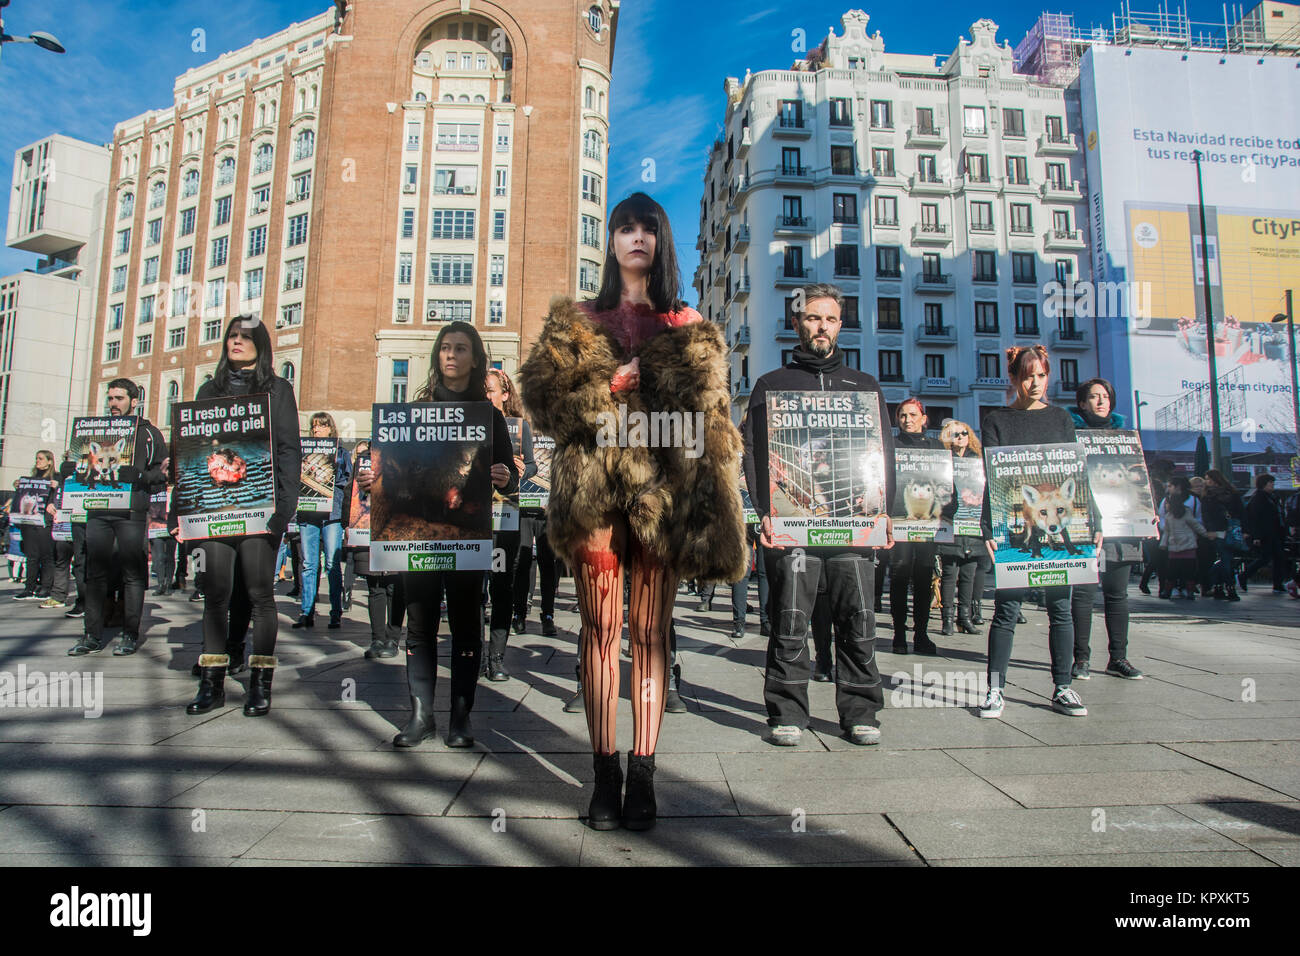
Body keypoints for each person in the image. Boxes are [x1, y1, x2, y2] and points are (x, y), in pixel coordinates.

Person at [518, 192, 745, 830]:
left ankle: (642, 772)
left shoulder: (687, 322)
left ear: (660, 241)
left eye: (648, 228)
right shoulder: (580, 321)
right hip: (592, 488)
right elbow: (543, 403)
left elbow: (712, 425)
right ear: (611, 240)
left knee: (648, 634)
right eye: (625, 228)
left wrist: (714, 510)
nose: (636, 237)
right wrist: (611, 385)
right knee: (598, 631)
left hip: (662, 492)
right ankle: (603, 770)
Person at [742, 282, 896, 748]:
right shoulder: (771, 385)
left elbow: (883, 454)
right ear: (796, 324)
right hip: (793, 528)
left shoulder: (865, 387)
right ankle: (787, 711)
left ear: (840, 325)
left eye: (829, 319)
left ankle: (860, 712)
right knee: (790, 620)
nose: (821, 327)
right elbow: (752, 454)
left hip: (853, 528)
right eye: (812, 318)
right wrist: (763, 513)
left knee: (859, 620)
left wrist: (888, 512)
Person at [360, 322, 517, 749]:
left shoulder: (490, 418)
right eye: (445, 348)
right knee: (420, 621)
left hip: (467, 536)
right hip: (419, 538)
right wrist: (371, 475)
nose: (450, 355)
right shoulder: (415, 410)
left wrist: (505, 476)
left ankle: (460, 720)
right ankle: (420, 716)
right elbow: (394, 471)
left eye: (460, 348)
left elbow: (511, 478)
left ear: (475, 357)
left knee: (467, 624)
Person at [176, 316, 300, 715]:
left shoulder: (278, 390)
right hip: (211, 508)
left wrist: (285, 508)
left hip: (261, 509)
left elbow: (288, 449)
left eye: (245, 338)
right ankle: (211, 682)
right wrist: (184, 511)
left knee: (261, 594)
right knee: (214, 594)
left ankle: (260, 684)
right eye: (232, 336)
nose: (236, 342)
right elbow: (191, 448)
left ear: (261, 345)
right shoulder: (208, 389)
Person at [978, 345, 1099, 719]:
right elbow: (993, 479)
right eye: (1028, 375)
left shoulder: (1061, 418)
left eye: (1042, 375)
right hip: (1013, 524)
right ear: (1013, 378)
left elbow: (1076, 473)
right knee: (1007, 609)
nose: (1035, 383)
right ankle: (995, 689)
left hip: (1059, 521)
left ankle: (1063, 687)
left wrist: (1094, 519)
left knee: (1060, 607)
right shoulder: (997, 420)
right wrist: (987, 527)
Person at [65, 382, 168, 657]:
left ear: (134, 402)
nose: (113, 402)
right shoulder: (93, 432)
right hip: (97, 510)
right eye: (110, 398)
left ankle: (130, 633)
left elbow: (164, 472)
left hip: (131, 512)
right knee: (94, 572)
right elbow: (80, 466)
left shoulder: (148, 433)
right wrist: (71, 470)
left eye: (119, 398)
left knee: (132, 573)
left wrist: (142, 477)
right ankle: (91, 635)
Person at [1067, 378, 1144, 680]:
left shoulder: (1126, 438)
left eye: (1105, 396)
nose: (1100, 401)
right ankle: (1081, 659)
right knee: (1083, 594)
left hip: (1120, 528)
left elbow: (1139, 482)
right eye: (1093, 397)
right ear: (1082, 403)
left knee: (1117, 595)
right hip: (1084, 529)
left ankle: (1119, 658)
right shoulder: (1070, 436)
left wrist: (1147, 513)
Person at [484, 368, 533, 680]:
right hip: (472, 519)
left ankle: (496, 657)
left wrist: (520, 470)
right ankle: (472, 652)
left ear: (504, 394)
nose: (486, 395)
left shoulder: (519, 427)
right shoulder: (469, 422)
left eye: (490, 390)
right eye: (483, 390)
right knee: (474, 588)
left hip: (505, 516)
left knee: (502, 585)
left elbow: (532, 464)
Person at [342, 441, 405, 659]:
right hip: (369, 528)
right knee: (375, 585)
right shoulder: (364, 460)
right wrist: (346, 523)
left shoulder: (407, 456)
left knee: (395, 586)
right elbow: (350, 491)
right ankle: (377, 638)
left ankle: (393, 638)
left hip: (398, 530)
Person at [889, 398, 942, 654]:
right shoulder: (891, 446)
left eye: (912, 415)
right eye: (902, 415)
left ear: (923, 418)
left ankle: (921, 634)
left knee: (923, 578)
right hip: (899, 521)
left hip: (927, 525)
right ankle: (899, 634)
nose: (907, 420)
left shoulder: (936, 447)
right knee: (899, 577)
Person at [292, 412, 352, 629]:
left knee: (332, 564)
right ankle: (306, 612)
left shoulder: (341, 453)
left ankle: (335, 612)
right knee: (309, 564)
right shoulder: (302, 452)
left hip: (332, 513)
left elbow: (346, 481)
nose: (316, 430)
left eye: (321, 426)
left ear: (330, 429)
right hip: (308, 512)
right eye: (314, 426)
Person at [937, 419, 983, 636]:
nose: (960, 437)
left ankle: (964, 617)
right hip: (951, 523)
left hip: (973, 523)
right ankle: (947, 618)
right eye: (955, 434)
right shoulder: (943, 461)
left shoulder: (979, 461)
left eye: (964, 432)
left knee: (969, 573)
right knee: (949, 572)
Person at [15, 451, 60, 603]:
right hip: (29, 520)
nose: (37, 461)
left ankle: (46, 587)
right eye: (36, 458)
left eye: (41, 459)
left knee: (46, 555)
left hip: (45, 521)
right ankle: (29, 587)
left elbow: (62, 494)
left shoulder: (56, 477)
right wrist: (18, 486)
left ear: (49, 461)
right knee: (31, 556)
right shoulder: (32, 478)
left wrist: (57, 488)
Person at [1200, 469, 1244, 601]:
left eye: (1208, 479)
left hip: (1230, 530)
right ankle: (1229, 587)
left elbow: (1241, 512)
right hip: (1217, 531)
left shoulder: (1230, 494)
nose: (1207, 482)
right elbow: (1206, 516)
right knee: (1226, 560)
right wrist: (1209, 530)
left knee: (1226, 560)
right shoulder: (1208, 496)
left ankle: (1218, 586)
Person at [1242, 474, 1288, 593]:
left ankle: (1277, 584)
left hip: (1273, 533)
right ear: (1264, 484)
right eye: (1270, 483)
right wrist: (1257, 536)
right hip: (1266, 533)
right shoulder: (1259, 498)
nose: (1273, 485)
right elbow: (1256, 518)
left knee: (1275, 558)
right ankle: (1245, 575)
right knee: (1267, 558)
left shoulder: (1271, 497)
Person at [1161, 491, 1208, 598]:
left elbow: (1167, 532)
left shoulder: (1170, 516)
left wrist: (1163, 544)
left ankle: (1168, 591)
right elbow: (1196, 525)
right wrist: (1205, 534)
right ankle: (1189, 592)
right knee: (1188, 571)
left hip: (1175, 546)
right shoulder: (1186, 512)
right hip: (1188, 545)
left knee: (1172, 570)